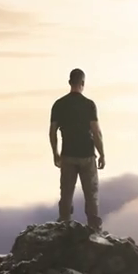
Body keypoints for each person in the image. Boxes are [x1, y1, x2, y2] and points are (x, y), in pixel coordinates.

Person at [49, 67, 105, 229]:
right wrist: (101, 154)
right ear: (83, 83)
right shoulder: (88, 105)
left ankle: (64, 224)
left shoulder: (59, 104)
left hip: (68, 154)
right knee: (91, 194)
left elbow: (52, 132)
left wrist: (55, 153)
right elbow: (96, 132)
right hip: (87, 155)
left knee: (66, 193)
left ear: (69, 82)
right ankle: (94, 228)